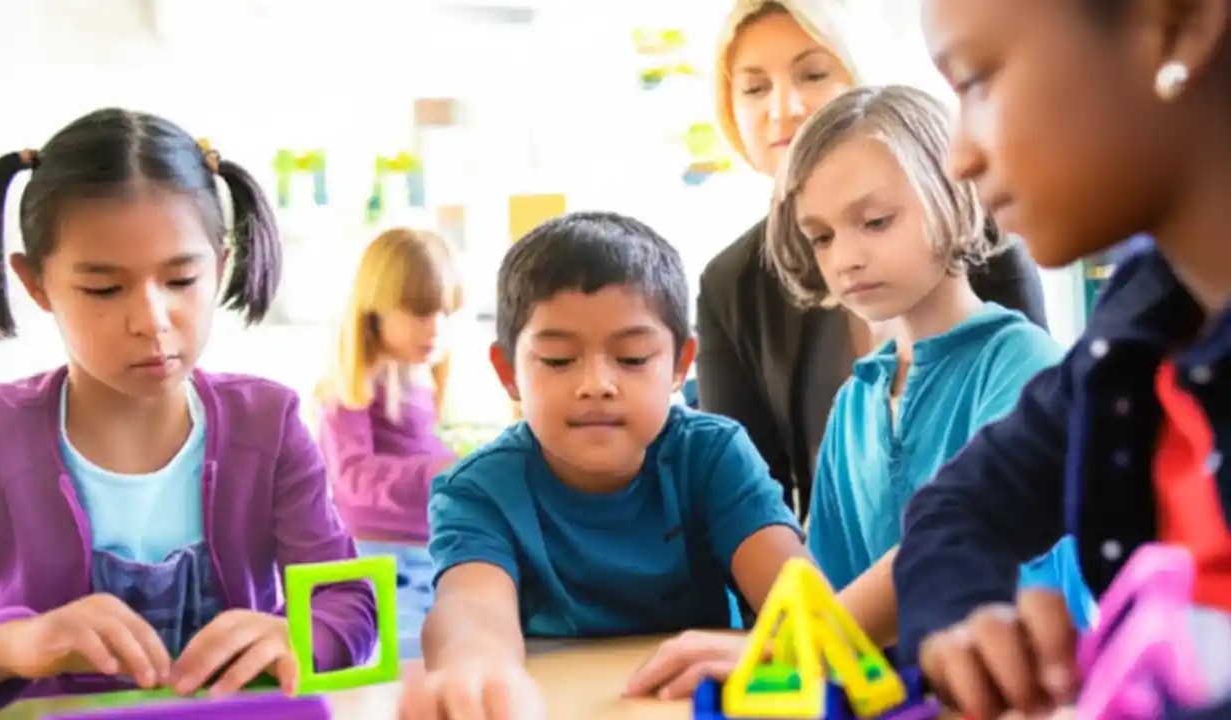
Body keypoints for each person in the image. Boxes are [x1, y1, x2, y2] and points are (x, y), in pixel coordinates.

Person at [623, 85, 1093, 703]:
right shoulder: (855, 402)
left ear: (953, 195)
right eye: (821, 237)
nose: (845, 258)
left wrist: (788, 647)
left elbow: (969, 552)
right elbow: (829, 592)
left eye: (875, 222)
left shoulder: (1024, 366)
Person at [0, 109, 375, 709]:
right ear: (36, 283)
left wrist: (301, 637)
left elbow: (347, 600)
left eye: (181, 280)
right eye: (104, 289)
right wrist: (13, 645)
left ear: (221, 266)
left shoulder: (269, 422)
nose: (151, 320)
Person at [892, 0, 1231, 718]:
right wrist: (964, 628)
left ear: (1177, 23)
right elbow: (958, 508)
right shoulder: (1139, 331)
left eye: (977, 79)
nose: (959, 156)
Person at [397, 212, 808, 719]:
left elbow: (798, 595)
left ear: (680, 365)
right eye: (557, 360)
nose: (596, 383)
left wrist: (785, 641)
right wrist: (474, 665)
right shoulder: (478, 490)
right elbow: (472, 607)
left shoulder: (713, 456)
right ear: (508, 373)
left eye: (633, 358)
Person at [697, 0, 1048, 514]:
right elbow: (754, 506)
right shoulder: (852, 408)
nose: (783, 109)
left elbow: (999, 511)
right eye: (754, 87)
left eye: (812, 73)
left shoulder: (1008, 333)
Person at [315, 227, 461, 659]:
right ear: (375, 310)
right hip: (382, 560)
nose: (435, 328)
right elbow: (352, 480)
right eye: (419, 312)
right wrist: (441, 473)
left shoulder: (418, 380)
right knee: (400, 660)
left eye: (445, 313)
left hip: (426, 552)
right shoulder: (352, 387)